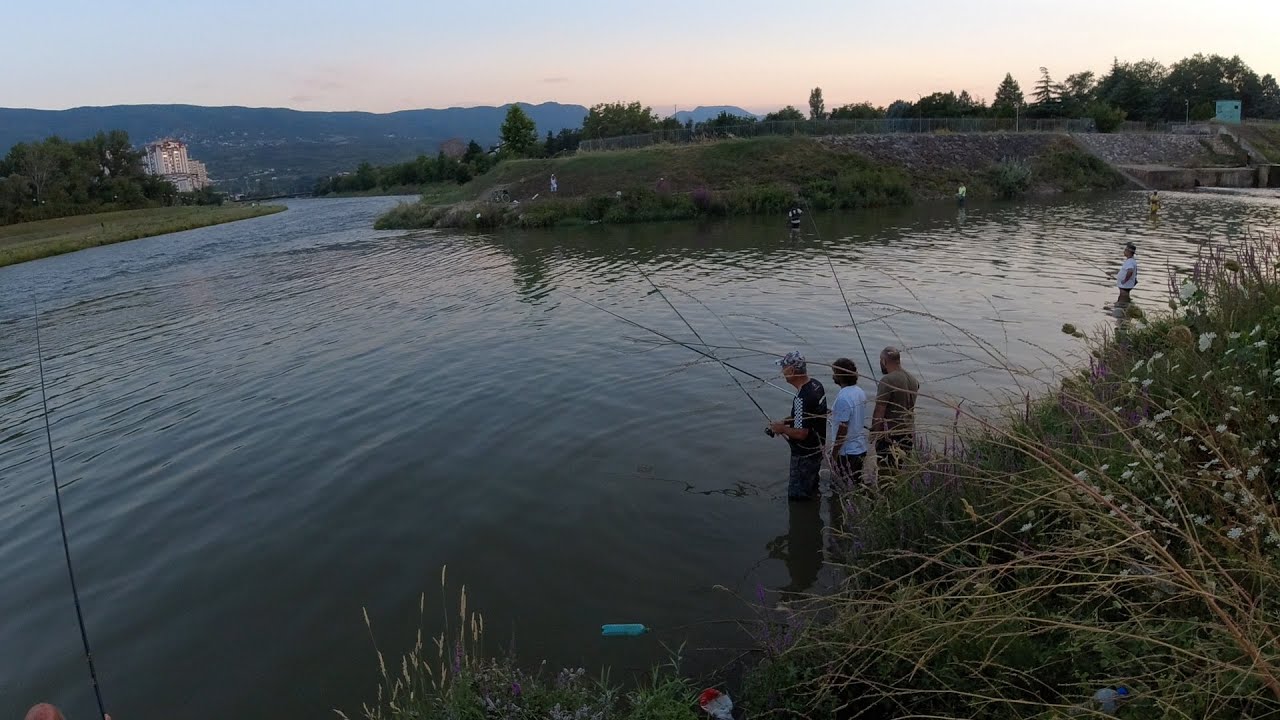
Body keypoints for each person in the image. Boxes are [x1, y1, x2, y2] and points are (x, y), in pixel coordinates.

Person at [768, 351, 828, 501]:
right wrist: (786, 422)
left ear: (792, 370)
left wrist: (781, 429)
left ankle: (801, 519)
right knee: (812, 488)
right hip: (817, 448)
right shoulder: (816, 385)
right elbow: (809, 417)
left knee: (798, 497)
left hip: (804, 455)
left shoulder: (801, 398)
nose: (782, 371)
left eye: (784, 367)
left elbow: (802, 433)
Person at [872, 347, 919, 472]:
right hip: (908, 434)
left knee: (885, 473)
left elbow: (879, 410)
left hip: (890, 436)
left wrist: (874, 434)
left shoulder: (887, 380)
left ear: (883, 361)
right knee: (900, 471)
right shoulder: (913, 380)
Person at [828, 358, 868, 488]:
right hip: (860, 449)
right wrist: (834, 413)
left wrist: (833, 454)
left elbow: (843, 429)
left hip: (847, 453)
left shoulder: (842, 398)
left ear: (840, 376)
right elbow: (852, 415)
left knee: (840, 489)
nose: (833, 375)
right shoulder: (859, 391)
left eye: (834, 372)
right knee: (855, 487)